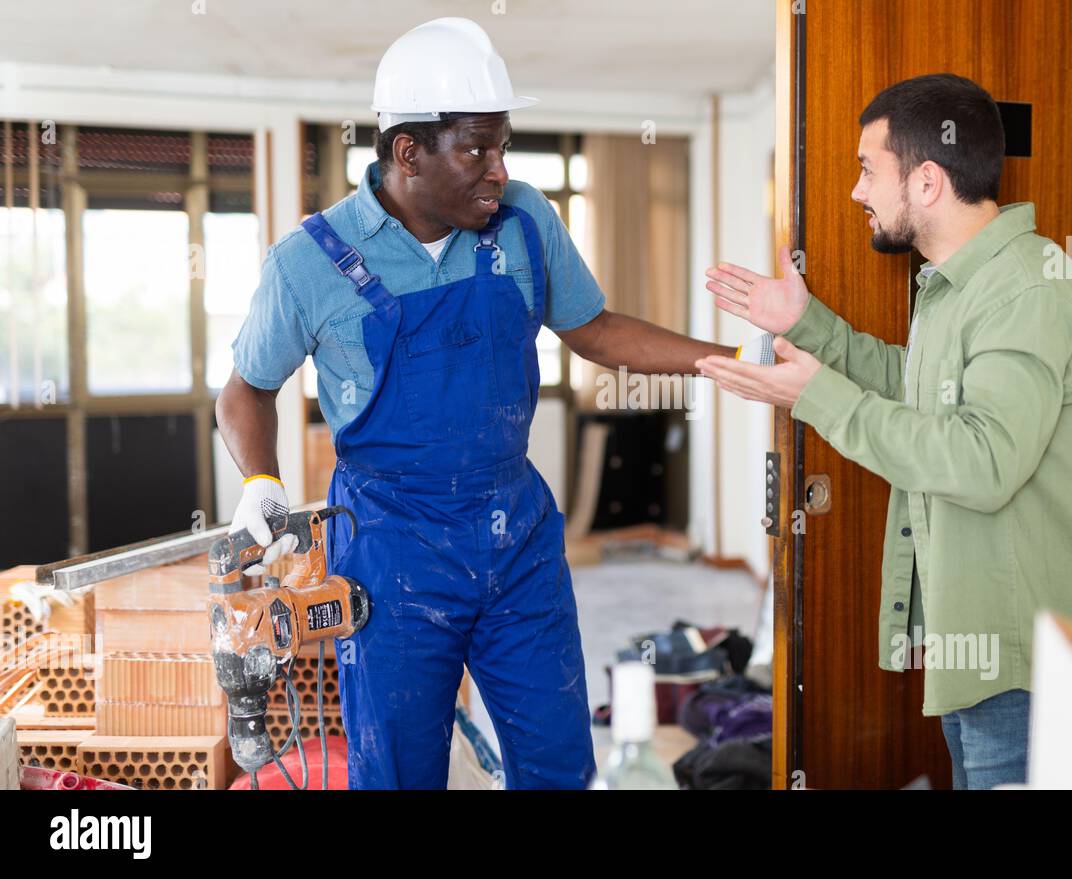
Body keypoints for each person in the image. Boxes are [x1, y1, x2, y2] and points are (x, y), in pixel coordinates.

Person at [215, 17, 734, 789]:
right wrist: (261, 479)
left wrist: (728, 362)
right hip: (389, 550)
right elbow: (247, 388)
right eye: (476, 149)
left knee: (560, 761)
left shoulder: (524, 221)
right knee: (397, 770)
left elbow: (592, 329)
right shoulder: (312, 262)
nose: (498, 170)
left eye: (503, 146)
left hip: (515, 538)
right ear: (407, 153)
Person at [696, 73, 1072, 790]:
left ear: (927, 181)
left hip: (1024, 664)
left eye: (869, 169)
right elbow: (913, 387)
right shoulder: (956, 284)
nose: (858, 191)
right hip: (981, 654)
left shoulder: (1027, 289)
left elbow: (984, 461)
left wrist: (817, 397)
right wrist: (807, 327)